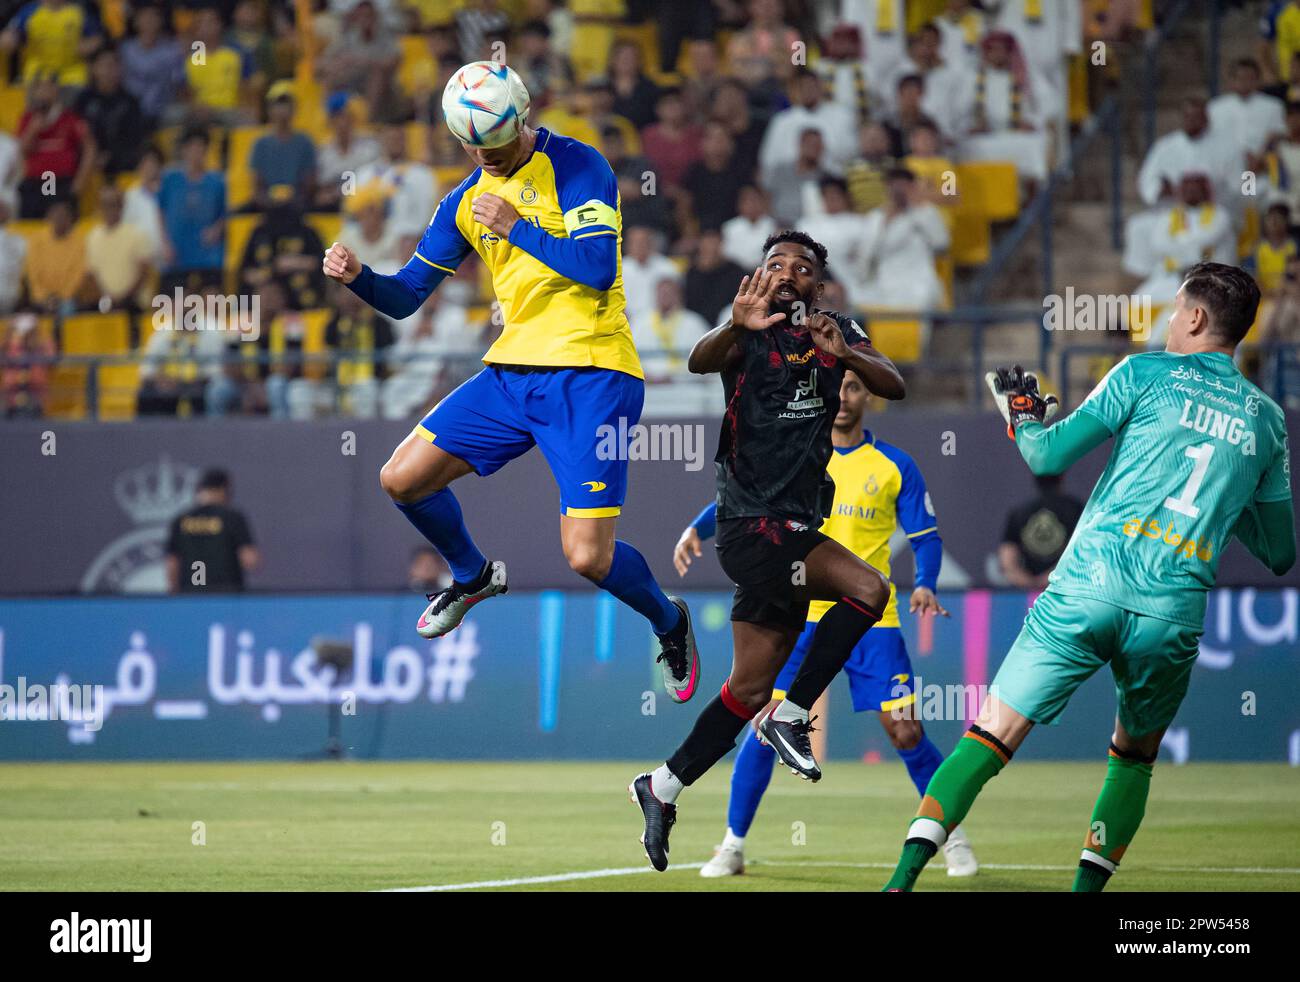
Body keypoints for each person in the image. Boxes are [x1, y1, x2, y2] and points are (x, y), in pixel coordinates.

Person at [883, 263, 1295, 892]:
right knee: (1132, 758)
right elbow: (1280, 553)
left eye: (1172, 306)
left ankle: (900, 884)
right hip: (1170, 612)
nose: (1164, 320)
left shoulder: (1142, 373)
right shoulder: (1266, 421)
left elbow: (1047, 454)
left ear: (1195, 318)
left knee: (991, 734)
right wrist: (1225, 491)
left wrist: (1022, 417)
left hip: (1087, 588)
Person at [321, 63, 701, 703]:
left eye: (495, 143)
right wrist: (360, 276)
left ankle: (670, 619)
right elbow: (407, 295)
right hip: (512, 369)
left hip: (593, 372)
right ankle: (471, 574)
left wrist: (516, 227)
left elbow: (596, 265)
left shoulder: (578, 164)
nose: (485, 157)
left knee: (587, 557)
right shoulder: (465, 200)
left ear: (522, 120)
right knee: (400, 478)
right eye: (474, 147)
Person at [628, 230, 906, 872]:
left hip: (791, 530)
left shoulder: (837, 331)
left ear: (818, 286)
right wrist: (734, 325)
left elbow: (893, 384)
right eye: (775, 263)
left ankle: (662, 786)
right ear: (760, 276)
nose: (787, 272)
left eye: (802, 267)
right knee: (869, 590)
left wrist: (849, 356)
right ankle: (797, 713)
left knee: (748, 688)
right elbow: (700, 361)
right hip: (754, 527)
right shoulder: (746, 329)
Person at [673, 370, 978, 878]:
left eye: (855, 387)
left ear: (867, 397)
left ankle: (949, 836)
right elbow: (746, 502)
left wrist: (925, 581)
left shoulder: (895, 465)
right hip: (798, 613)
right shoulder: (799, 453)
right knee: (765, 726)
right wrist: (697, 528)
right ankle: (731, 844)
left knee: (904, 731)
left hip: (869, 620)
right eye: (837, 387)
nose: (843, 397)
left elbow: (925, 535)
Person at [165, 469, 260, 594]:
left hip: (190, 594)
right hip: (226, 595)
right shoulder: (231, 517)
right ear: (223, 489)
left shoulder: (181, 520)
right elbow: (249, 560)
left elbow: (172, 563)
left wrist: (173, 593)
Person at [998, 473, 1085, 589]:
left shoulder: (1019, 512)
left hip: (1030, 593)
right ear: (1062, 477)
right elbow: (1083, 551)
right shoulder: (1076, 509)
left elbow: (1008, 563)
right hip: (1066, 591)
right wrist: (1048, 578)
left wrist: (1029, 583)